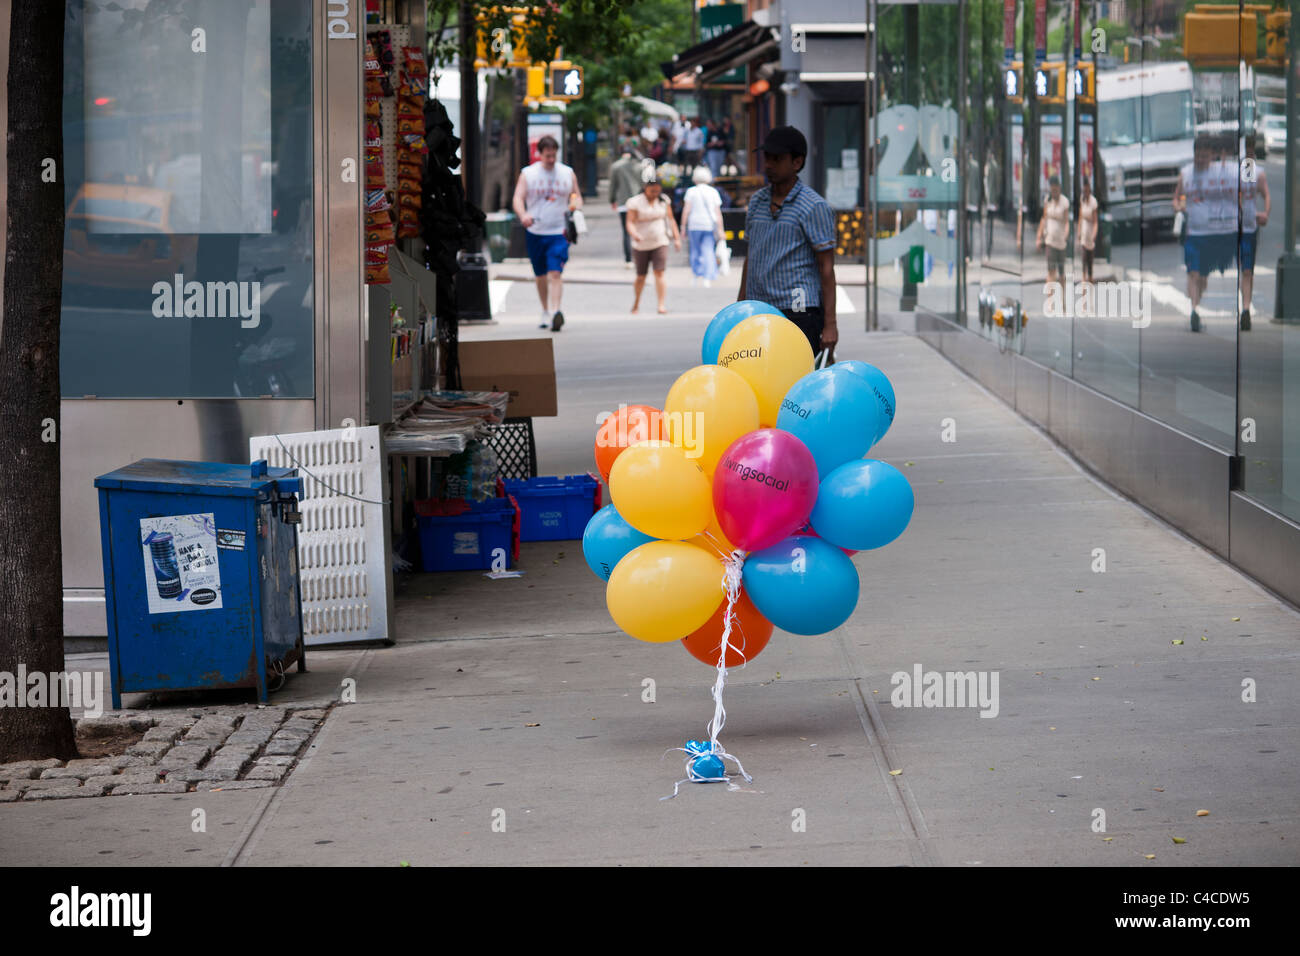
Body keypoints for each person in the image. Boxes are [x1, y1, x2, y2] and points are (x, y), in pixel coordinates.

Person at [736, 125, 838, 356]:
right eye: (767, 158)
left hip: (798, 311)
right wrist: (740, 305)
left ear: (796, 162)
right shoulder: (757, 202)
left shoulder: (814, 206)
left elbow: (827, 268)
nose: (769, 165)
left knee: (795, 382)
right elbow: (751, 256)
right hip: (759, 310)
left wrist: (830, 324)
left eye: (777, 159)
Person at [511, 135, 582, 332]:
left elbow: (576, 196)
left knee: (555, 272)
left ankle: (556, 311)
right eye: (547, 156)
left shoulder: (568, 173)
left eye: (554, 155)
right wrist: (523, 214)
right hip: (536, 230)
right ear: (539, 154)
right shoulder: (528, 174)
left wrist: (574, 205)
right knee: (540, 275)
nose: (551, 159)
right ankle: (545, 309)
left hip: (559, 230)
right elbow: (518, 197)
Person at [1174, 135, 1236, 332]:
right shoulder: (1185, 174)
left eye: (1205, 156)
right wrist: (1180, 208)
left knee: (1203, 277)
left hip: (1213, 234)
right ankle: (1194, 310)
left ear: (1211, 157)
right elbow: (1176, 198)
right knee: (1193, 273)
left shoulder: (1219, 174)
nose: (1200, 160)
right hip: (1193, 234)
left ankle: (1196, 301)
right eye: (1198, 156)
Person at [625, 176, 681, 314]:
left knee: (659, 272)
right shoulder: (635, 202)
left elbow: (671, 219)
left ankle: (661, 304)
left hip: (660, 241)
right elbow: (630, 222)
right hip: (641, 244)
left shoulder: (663, 200)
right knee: (641, 276)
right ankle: (636, 302)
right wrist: (635, 234)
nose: (654, 194)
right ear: (645, 189)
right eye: (651, 191)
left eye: (657, 191)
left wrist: (677, 238)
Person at [1237, 142, 1270, 331]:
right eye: (1246, 152)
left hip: (1249, 229)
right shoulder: (1235, 172)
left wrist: (1264, 213)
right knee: (1243, 271)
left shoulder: (1258, 174)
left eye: (1252, 152)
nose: (1249, 156)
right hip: (1234, 228)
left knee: (1247, 271)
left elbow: (1266, 195)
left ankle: (1246, 310)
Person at [681, 165, 725, 287]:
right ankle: (708, 276)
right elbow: (717, 213)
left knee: (695, 250)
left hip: (694, 225)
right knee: (708, 250)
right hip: (709, 224)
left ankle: (696, 274)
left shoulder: (691, 191)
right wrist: (721, 229)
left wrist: (683, 226)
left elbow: (686, 210)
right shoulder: (713, 192)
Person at [608, 148, 646, 270]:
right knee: (639, 228)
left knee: (626, 231)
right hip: (639, 201)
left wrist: (612, 199)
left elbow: (613, 185)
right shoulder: (640, 166)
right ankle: (641, 255)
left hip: (624, 202)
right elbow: (644, 184)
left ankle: (628, 259)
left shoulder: (616, 166)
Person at [1036, 174, 1069, 287]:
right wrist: (1039, 236)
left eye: (1056, 188)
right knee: (1051, 272)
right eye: (1052, 188)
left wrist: (1066, 235)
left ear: (1059, 187)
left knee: (1061, 274)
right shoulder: (1047, 200)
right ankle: (1051, 302)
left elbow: (1066, 222)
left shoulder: (1064, 202)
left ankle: (1063, 300)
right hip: (1050, 241)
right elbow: (1044, 218)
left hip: (1061, 243)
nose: (1054, 190)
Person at [1076, 175, 1099, 284]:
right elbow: (1080, 216)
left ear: (1089, 188)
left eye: (1086, 189)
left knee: (1090, 260)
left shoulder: (1093, 202)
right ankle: (1084, 278)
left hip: (1090, 232)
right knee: (1083, 258)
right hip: (1084, 231)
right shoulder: (1082, 199)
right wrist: (1079, 230)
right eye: (1083, 189)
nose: (1085, 191)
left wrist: (1094, 235)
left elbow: (1095, 221)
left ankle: (1090, 278)